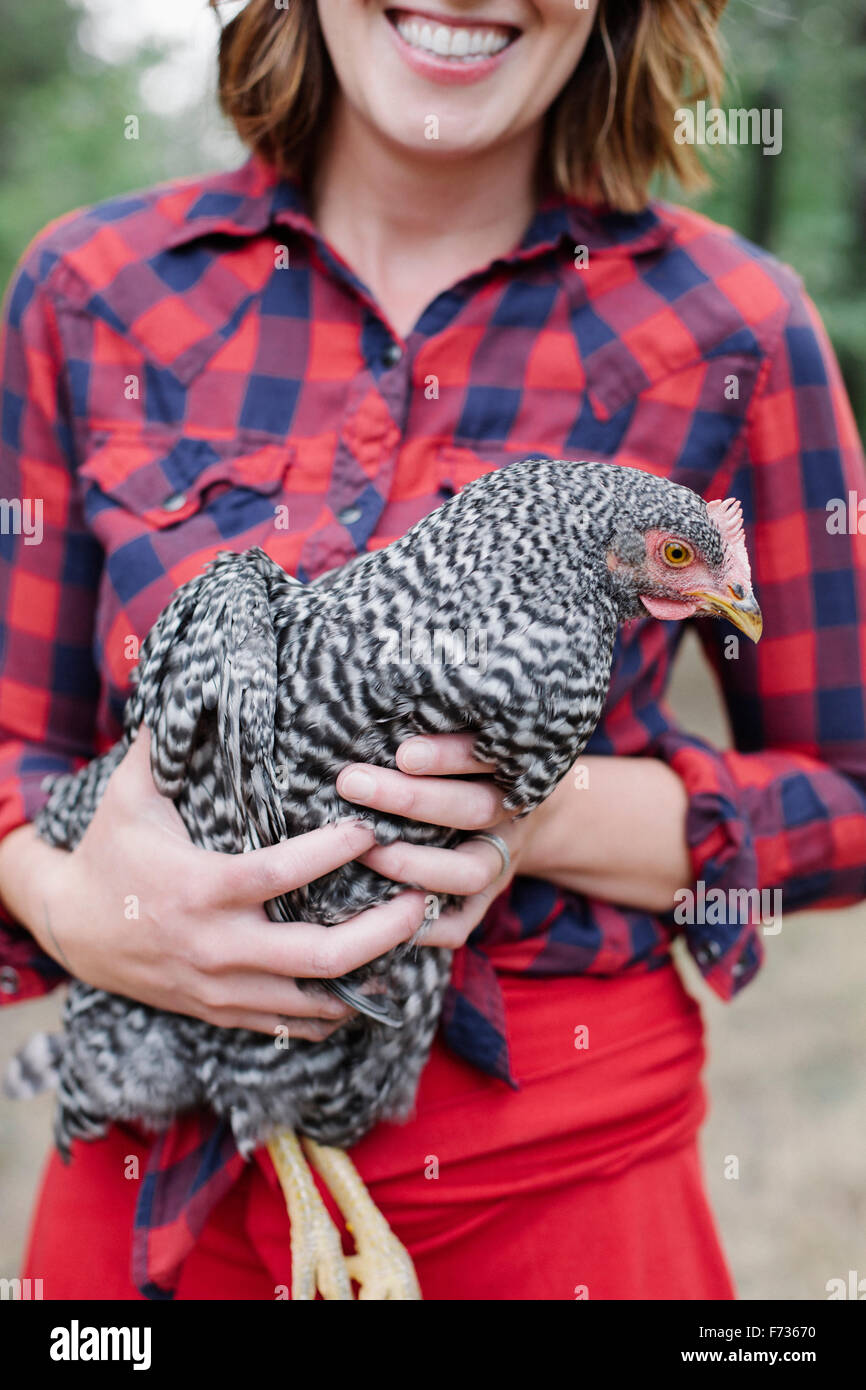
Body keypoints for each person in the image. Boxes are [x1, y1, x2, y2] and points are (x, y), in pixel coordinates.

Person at [1, 0, 864, 1301]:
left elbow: (853, 792)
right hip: (159, 1164)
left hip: (558, 1180)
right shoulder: (95, 292)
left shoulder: (733, 325)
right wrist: (86, 906)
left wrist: (536, 812)